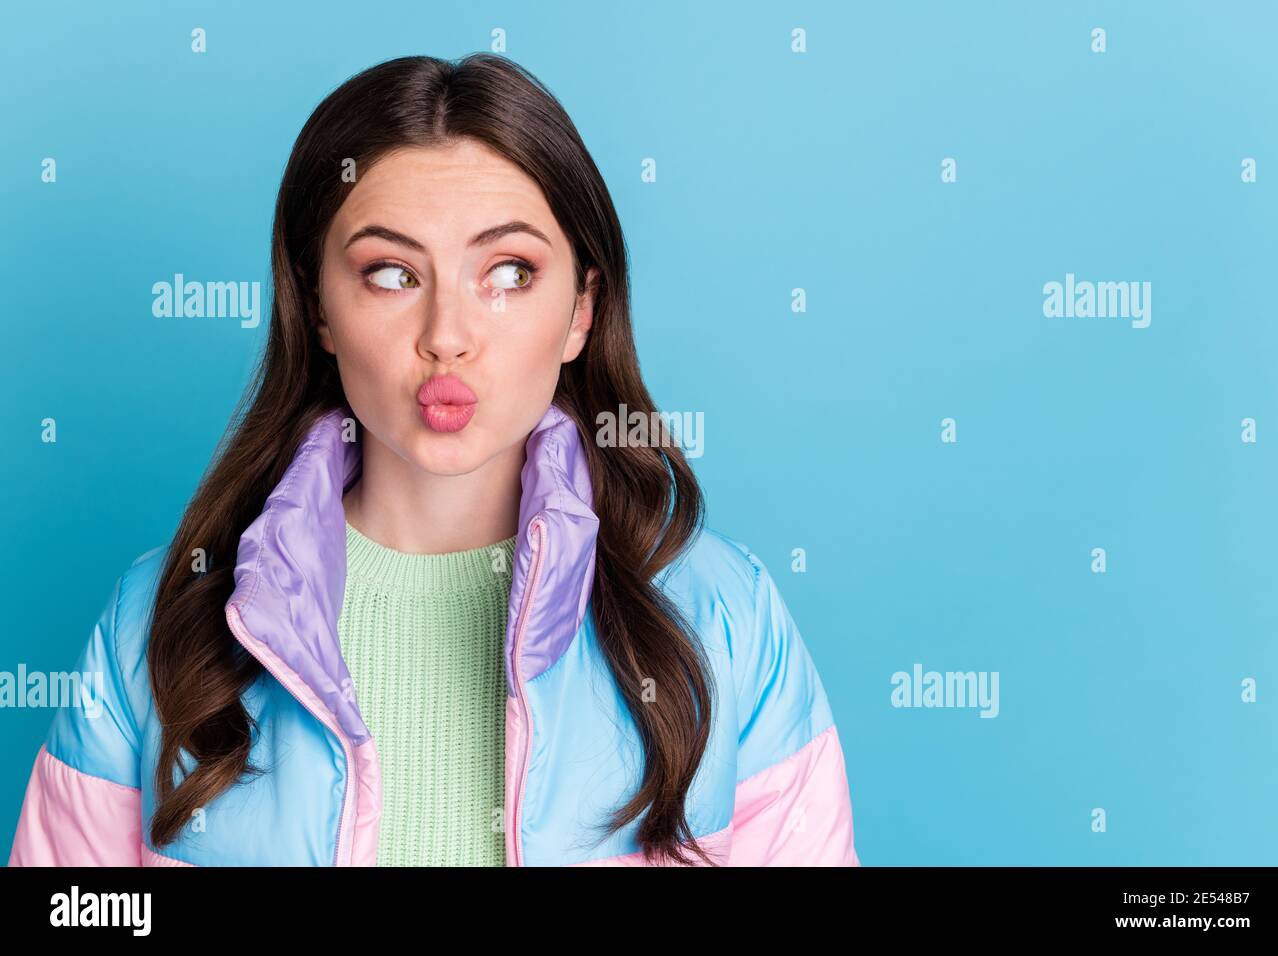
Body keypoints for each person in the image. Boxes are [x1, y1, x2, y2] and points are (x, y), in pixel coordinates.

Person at [7, 53, 858, 867]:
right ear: (321, 311)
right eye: (390, 274)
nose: (447, 335)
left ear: (581, 312)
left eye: (511, 272)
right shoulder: (159, 623)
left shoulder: (723, 620)